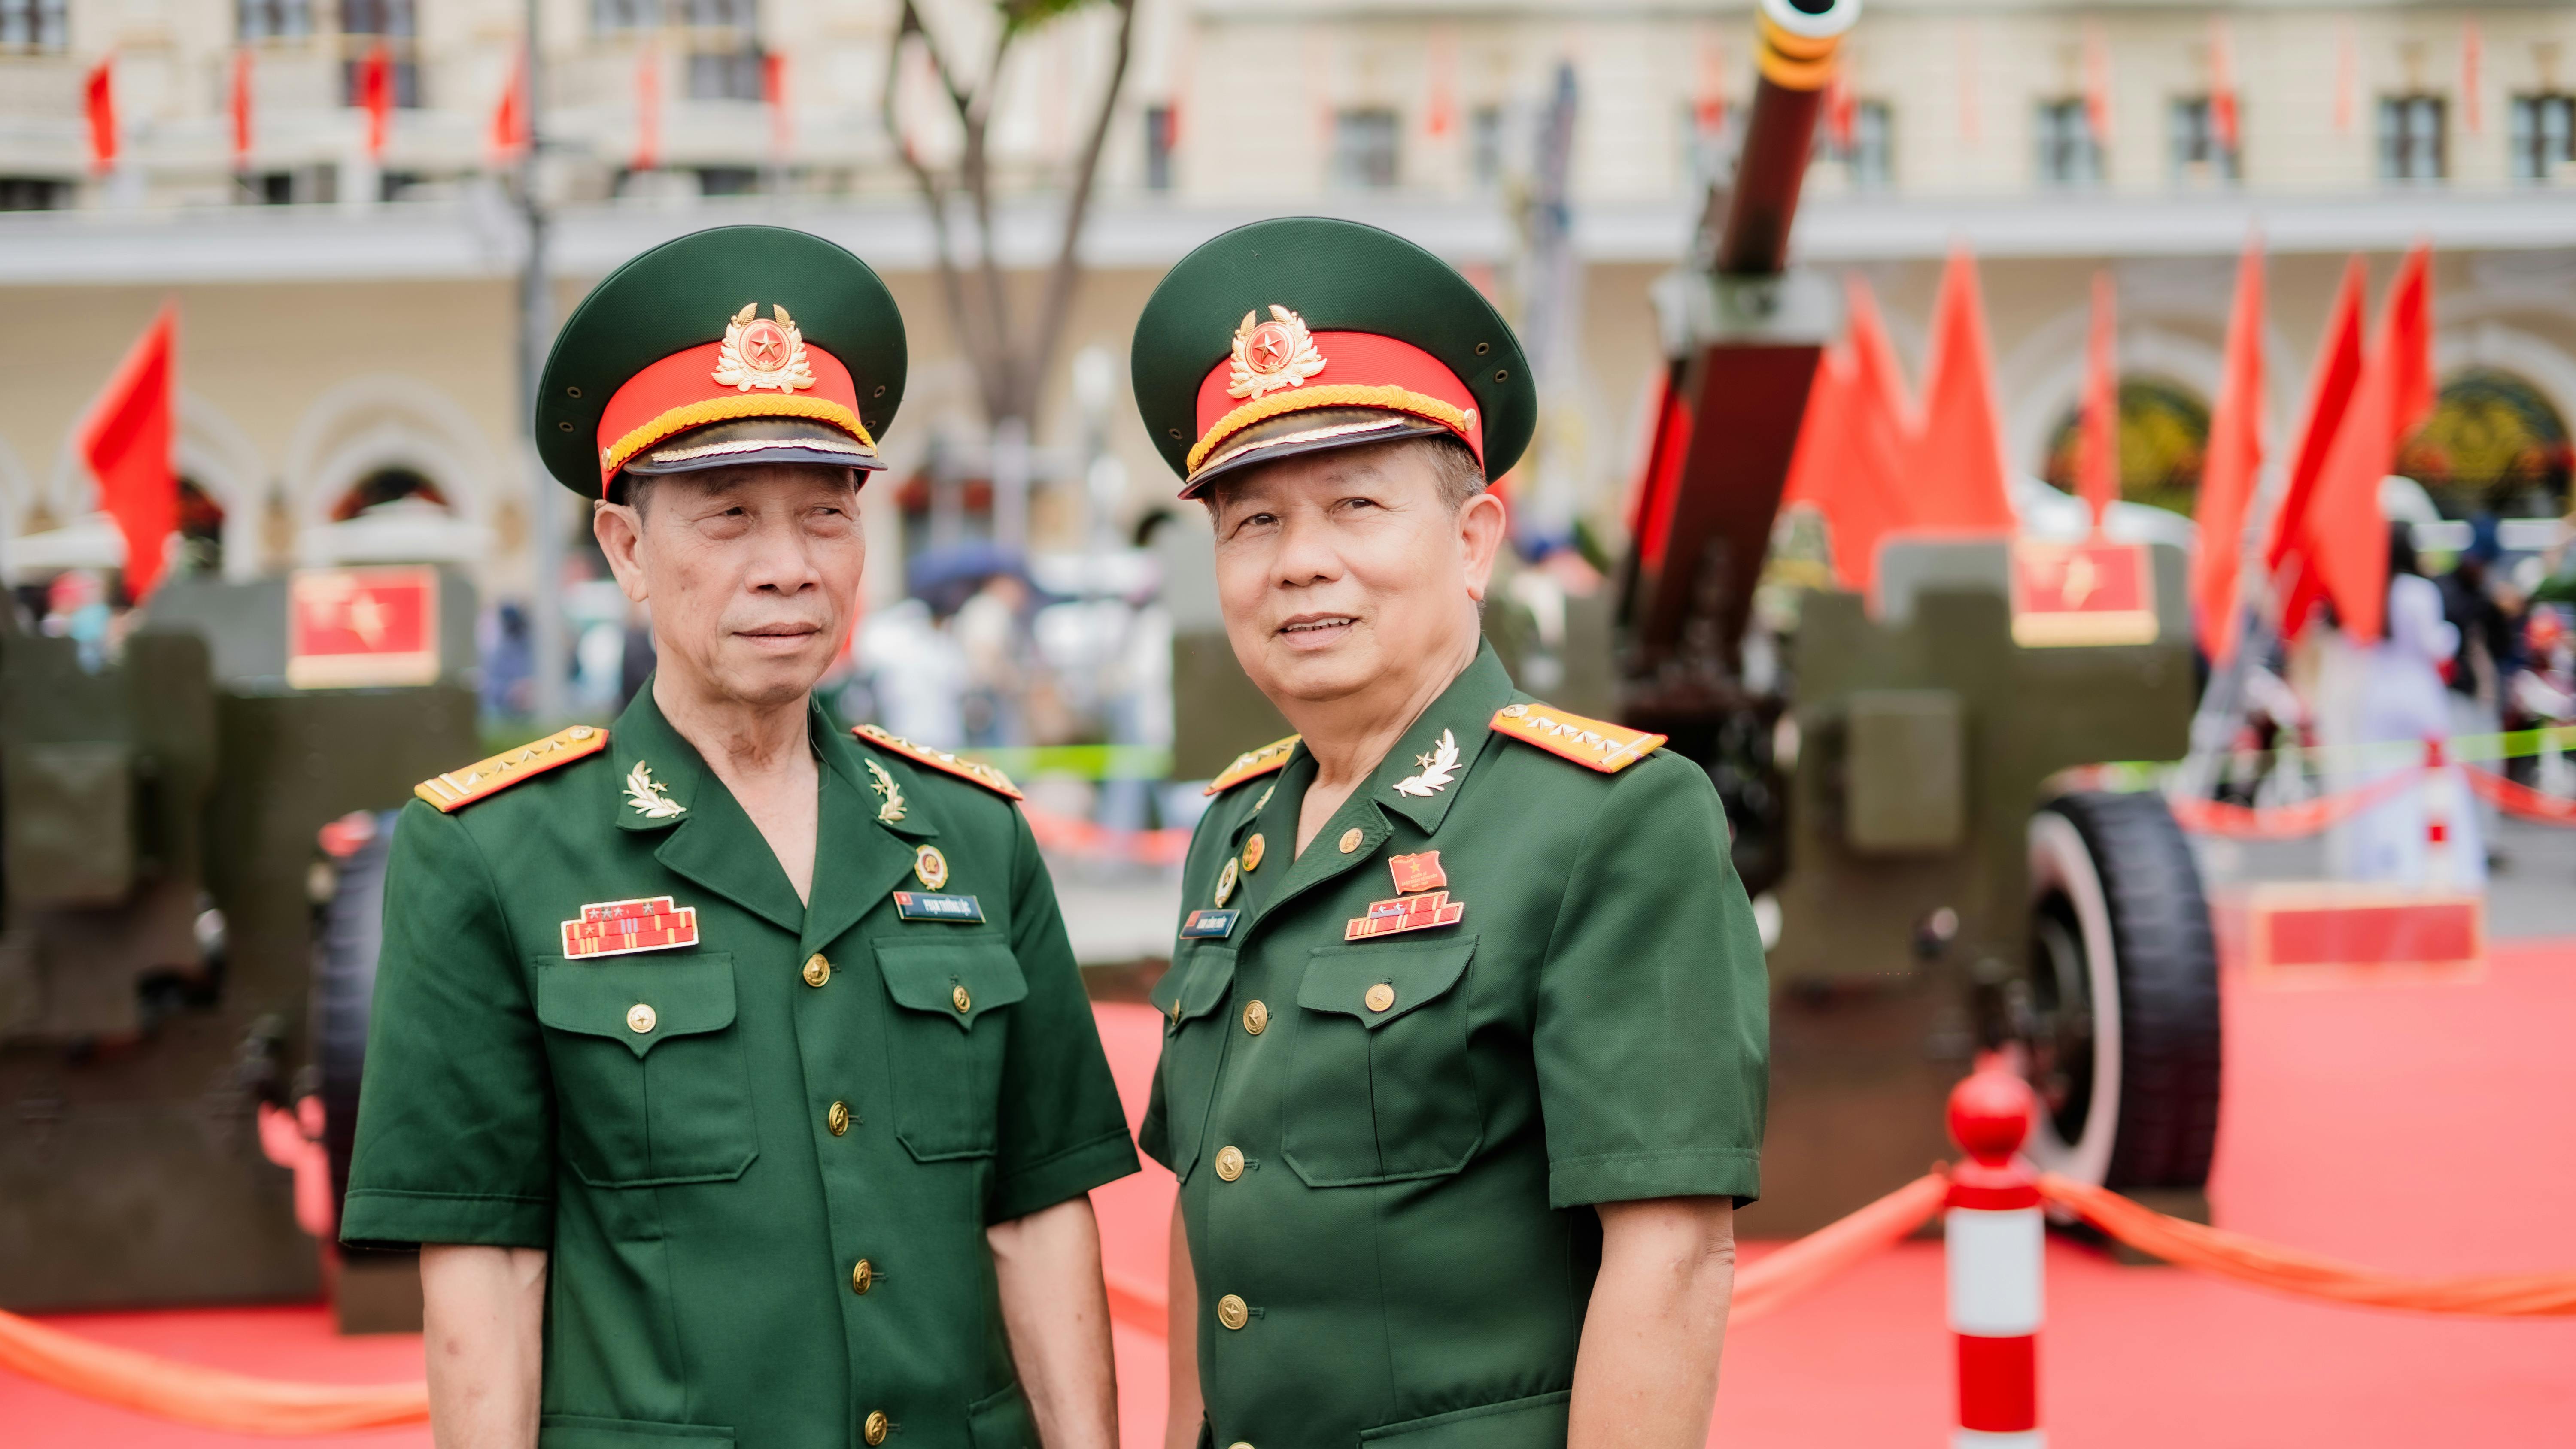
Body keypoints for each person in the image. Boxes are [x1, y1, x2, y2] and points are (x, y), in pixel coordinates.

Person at [341, 225, 1138, 1449]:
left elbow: (1037, 1217)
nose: (788, 568)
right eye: (727, 518)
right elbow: (486, 1274)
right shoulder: (496, 854)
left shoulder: (974, 838)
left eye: (826, 516)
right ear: (627, 549)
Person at [1125, 217, 1768, 1449]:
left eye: (1355, 505)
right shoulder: (1239, 831)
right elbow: (1217, 1205)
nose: (1301, 564)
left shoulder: (1608, 820)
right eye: (1253, 523)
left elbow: (1673, 1252)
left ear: (1474, 543)